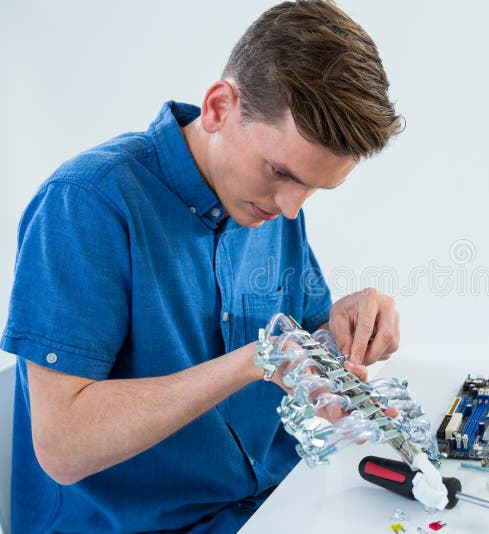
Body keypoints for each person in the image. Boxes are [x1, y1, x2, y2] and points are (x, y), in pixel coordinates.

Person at [1, 1, 403, 532]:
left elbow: (300, 341)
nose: (290, 208)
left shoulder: (270, 202)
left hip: (274, 505)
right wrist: (252, 361)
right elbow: (62, 446)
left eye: (313, 187)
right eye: (281, 172)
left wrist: (338, 331)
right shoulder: (86, 203)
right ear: (218, 107)